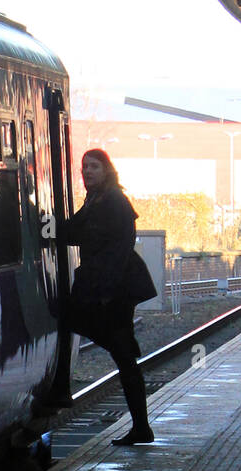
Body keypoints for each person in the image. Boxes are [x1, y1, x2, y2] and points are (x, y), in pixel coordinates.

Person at [57, 148, 157, 445]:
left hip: (115, 289)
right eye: (84, 167)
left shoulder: (114, 201)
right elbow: (72, 233)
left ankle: (142, 427)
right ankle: (141, 427)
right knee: (122, 354)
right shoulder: (96, 199)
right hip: (105, 287)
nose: (87, 171)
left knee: (123, 355)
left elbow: (120, 249)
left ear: (106, 170)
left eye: (94, 167)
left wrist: (105, 294)